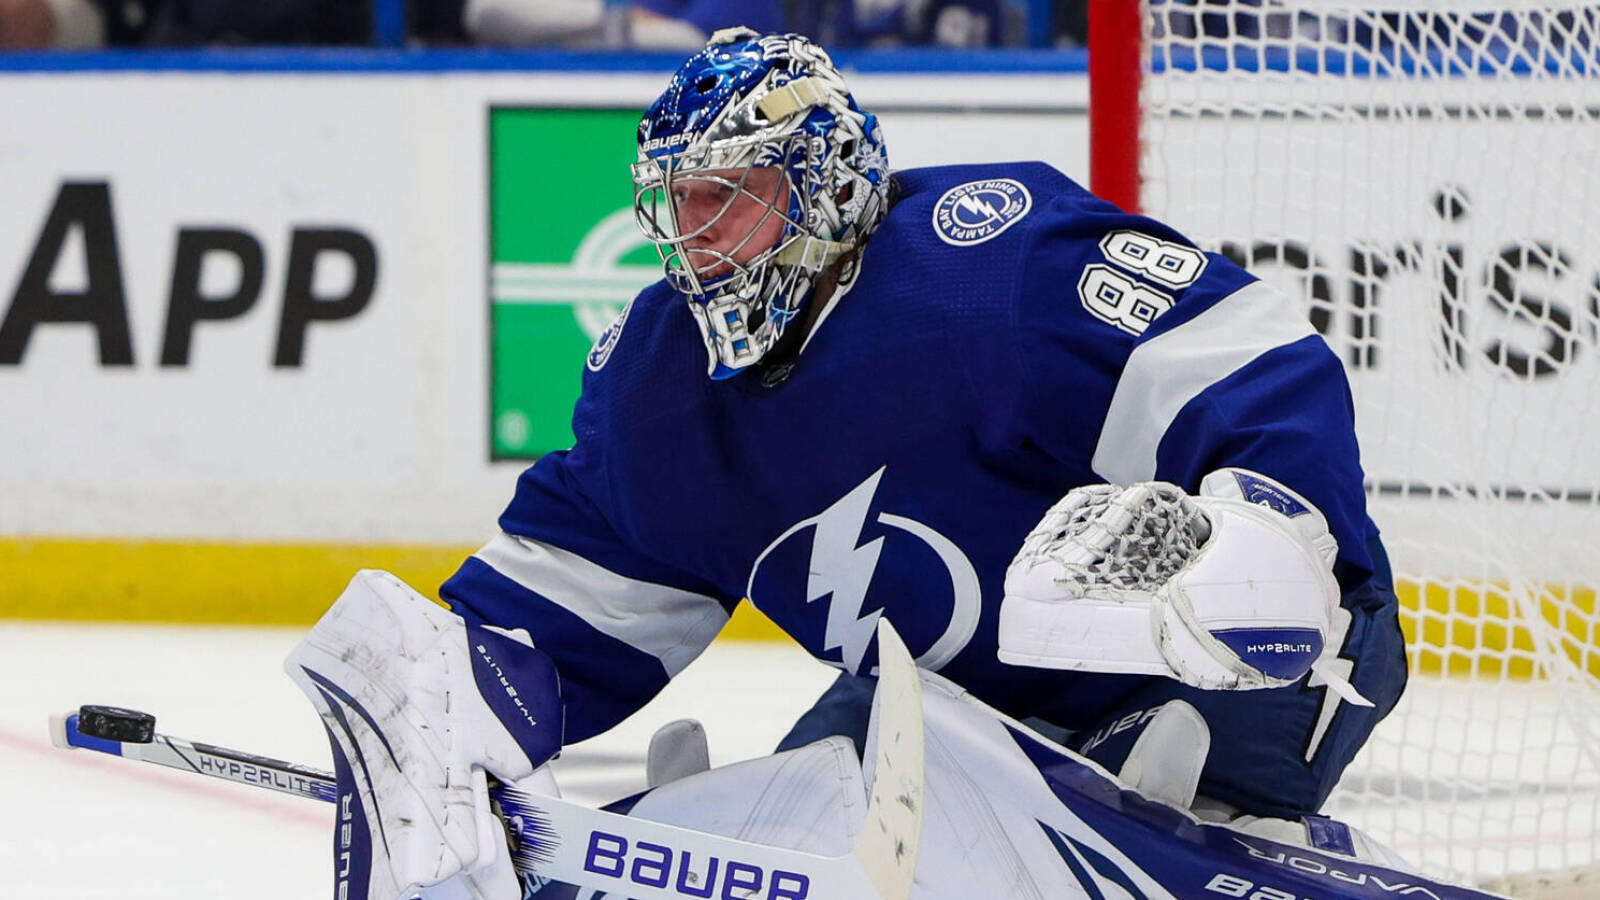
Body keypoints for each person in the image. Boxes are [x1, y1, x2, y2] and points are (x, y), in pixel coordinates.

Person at [284, 26, 1409, 900]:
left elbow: (1239, 367)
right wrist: (456, 699)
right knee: (802, 849)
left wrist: (1271, 533)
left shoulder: (984, 269)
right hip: (959, 707)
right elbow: (583, 582)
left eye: (731, 197)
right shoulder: (660, 384)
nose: (697, 237)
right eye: (679, 204)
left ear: (821, 181)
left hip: (1216, 658)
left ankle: (1236, 827)